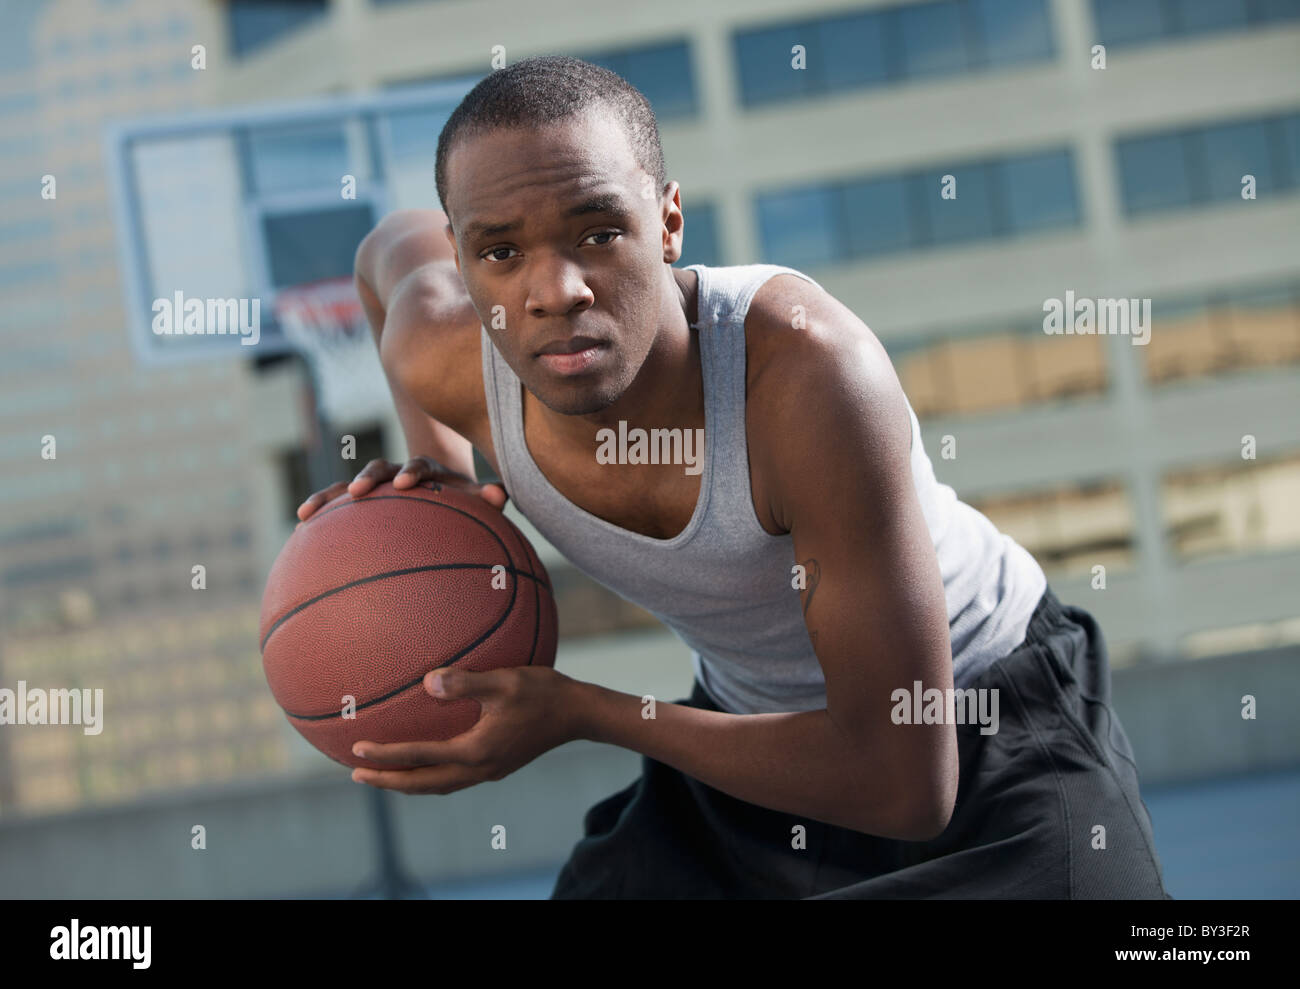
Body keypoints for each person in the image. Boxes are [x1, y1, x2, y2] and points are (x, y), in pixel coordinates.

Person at [297, 55, 1169, 899]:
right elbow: (386, 249)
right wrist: (443, 492)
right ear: (461, 257)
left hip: (980, 728)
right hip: (754, 737)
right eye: (500, 252)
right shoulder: (440, 351)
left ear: (669, 220)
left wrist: (584, 711)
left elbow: (906, 779)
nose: (553, 289)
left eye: (599, 233)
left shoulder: (807, 379)